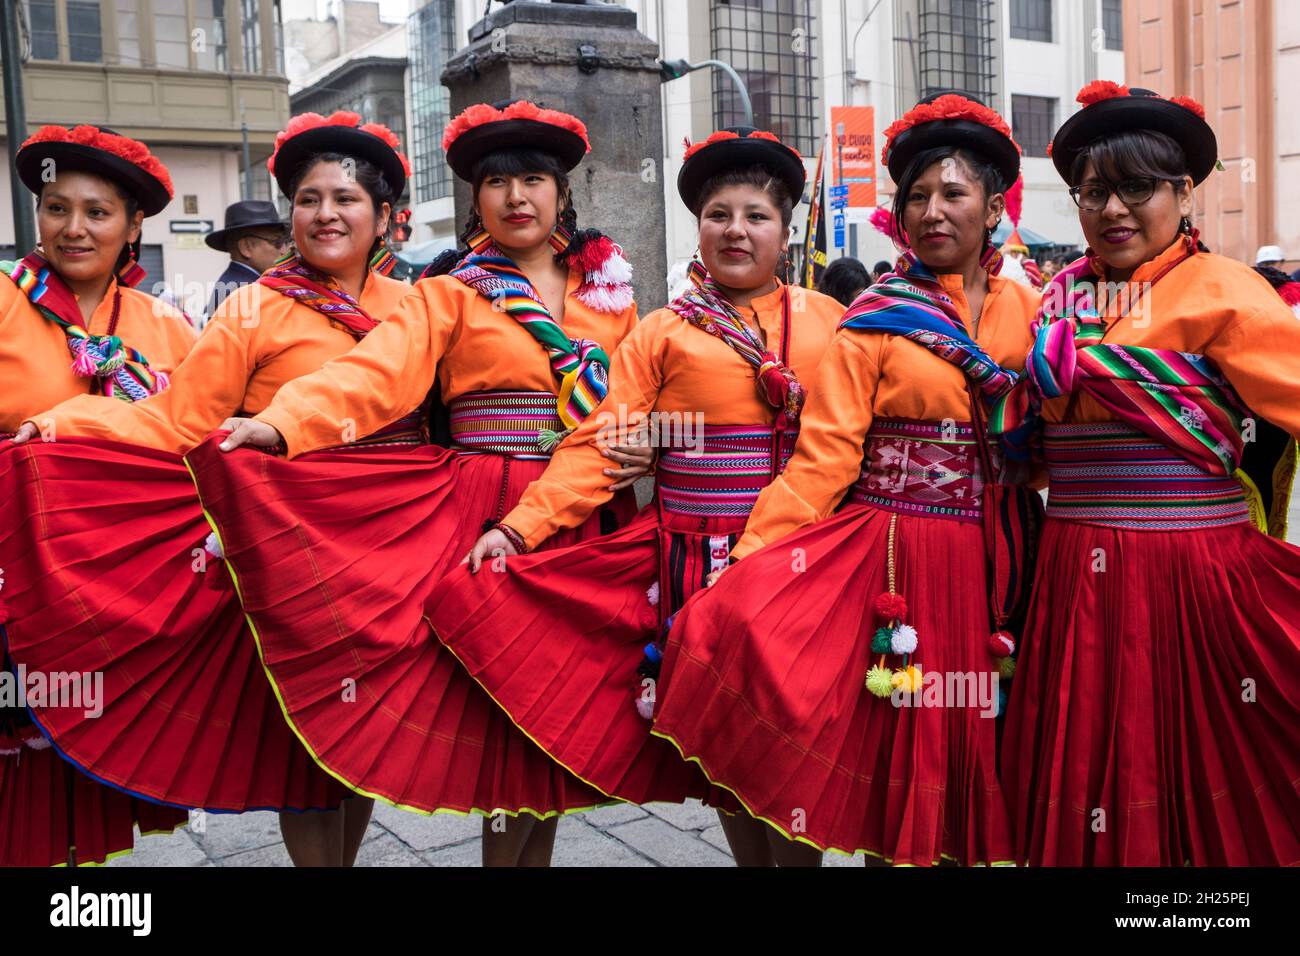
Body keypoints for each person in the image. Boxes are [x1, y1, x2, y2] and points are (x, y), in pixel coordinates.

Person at [190, 100, 651, 867]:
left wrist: (651, 449)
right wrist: (285, 422)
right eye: (497, 182)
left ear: (562, 195)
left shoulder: (611, 295)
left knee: (564, 719)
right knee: (503, 719)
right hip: (487, 511)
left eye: (534, 179)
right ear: (476, 201)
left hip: (583, 512)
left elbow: (638, 400)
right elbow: (375, 375)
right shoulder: (448, 294)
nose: (516, 197)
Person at [4, 110, 420, 866]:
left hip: (398, 546)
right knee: (306, 742)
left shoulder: (425, 307)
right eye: (308, 199)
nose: (325, 214)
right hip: (294, 549)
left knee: (375, 735)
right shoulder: (253, 308)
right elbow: (180, 421)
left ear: (386, 217)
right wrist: (70, 422)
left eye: (346, 199)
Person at [427, 126, 847, 867]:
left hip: (793, 557)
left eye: (756, 215)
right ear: (699, 227)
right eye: (718, 214)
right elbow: (598, 443)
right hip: (694, 561)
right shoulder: (660, 331)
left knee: (796, 741)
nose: (735, 231)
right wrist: (521, 529)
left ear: (786, 229)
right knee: (725, 749)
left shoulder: (832, 326)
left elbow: (845, 446)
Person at [647, 93, 1043, 867]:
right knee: (895, 745)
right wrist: (749, 559)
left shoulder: (1035, 312)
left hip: (998, 558)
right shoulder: (871, 321)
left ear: (995, 206)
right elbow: (824, 458)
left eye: (953, 194)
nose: (932, 212)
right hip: (894, 557)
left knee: (979, 743)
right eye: (917, 197)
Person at [997, 81, 1300, 865]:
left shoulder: (1227, 291)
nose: (1113, 210)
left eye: (1137, 188)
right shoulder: (1057, 305)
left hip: (1194, 575)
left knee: (1194, 758)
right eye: (1094, 192)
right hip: (1073, 577)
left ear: (1184, 191)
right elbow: (1031, 453)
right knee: (1088, 755)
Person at [0, 123, 195, 866]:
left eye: (98, 212)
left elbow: (189, 431)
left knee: (91, 757)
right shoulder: (3, 300)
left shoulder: (163, 324)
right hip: (15, 568)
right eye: (56, 207)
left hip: (118, 579)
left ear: (134, 225)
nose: (73, 228)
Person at [204, 199, 289, 319]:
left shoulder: (235, 284)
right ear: (246, 247)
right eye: (277, 242)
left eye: (285, 242)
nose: (284, 251)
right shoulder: (245, 290)